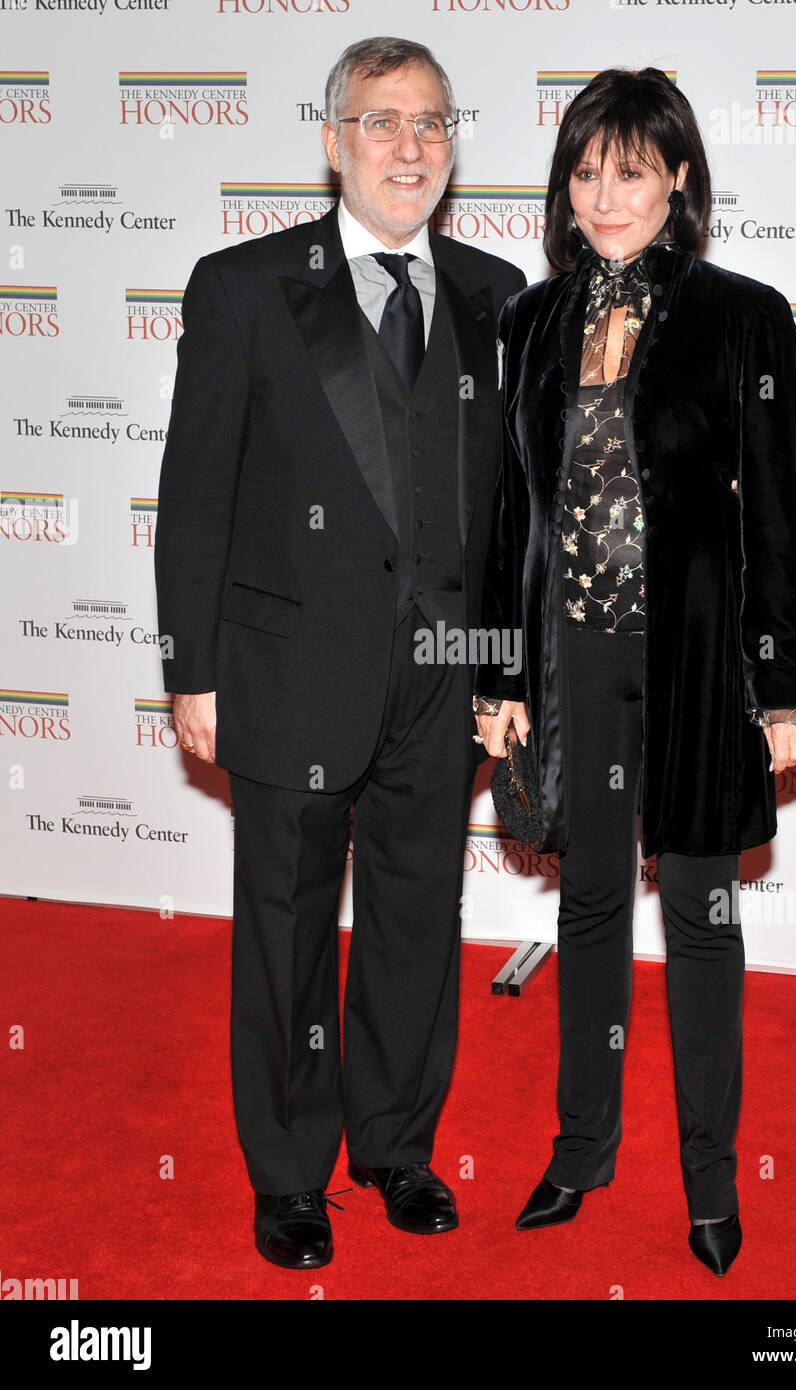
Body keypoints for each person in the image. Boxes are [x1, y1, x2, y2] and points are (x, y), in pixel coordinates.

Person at [154, 36, 525, 1269]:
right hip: (288, 669)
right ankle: (290, 1171)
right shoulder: (246, 287)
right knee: (288, 927)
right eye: (382, 122)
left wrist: (503, 671)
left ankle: (397, 1144)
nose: (410, 146)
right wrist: (192, 669)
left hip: (445, 676)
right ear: (331, 141)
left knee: (419, 916)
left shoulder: (493, 292)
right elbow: (196, 490)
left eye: (431, 123)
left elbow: (510, 506)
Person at [474, 67, 796, 1277]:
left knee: (704, 920)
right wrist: (498, 676)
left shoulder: (744, 318)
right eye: (584, 170)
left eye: (629, 169)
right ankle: (580, 1149)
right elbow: (505, 513)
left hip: (695, 664)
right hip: (571, 667)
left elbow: (775, 519)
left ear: (677, 177)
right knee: (589, 910)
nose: (604, 194)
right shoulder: (529, 322)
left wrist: (782, 694)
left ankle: (712, 1183)